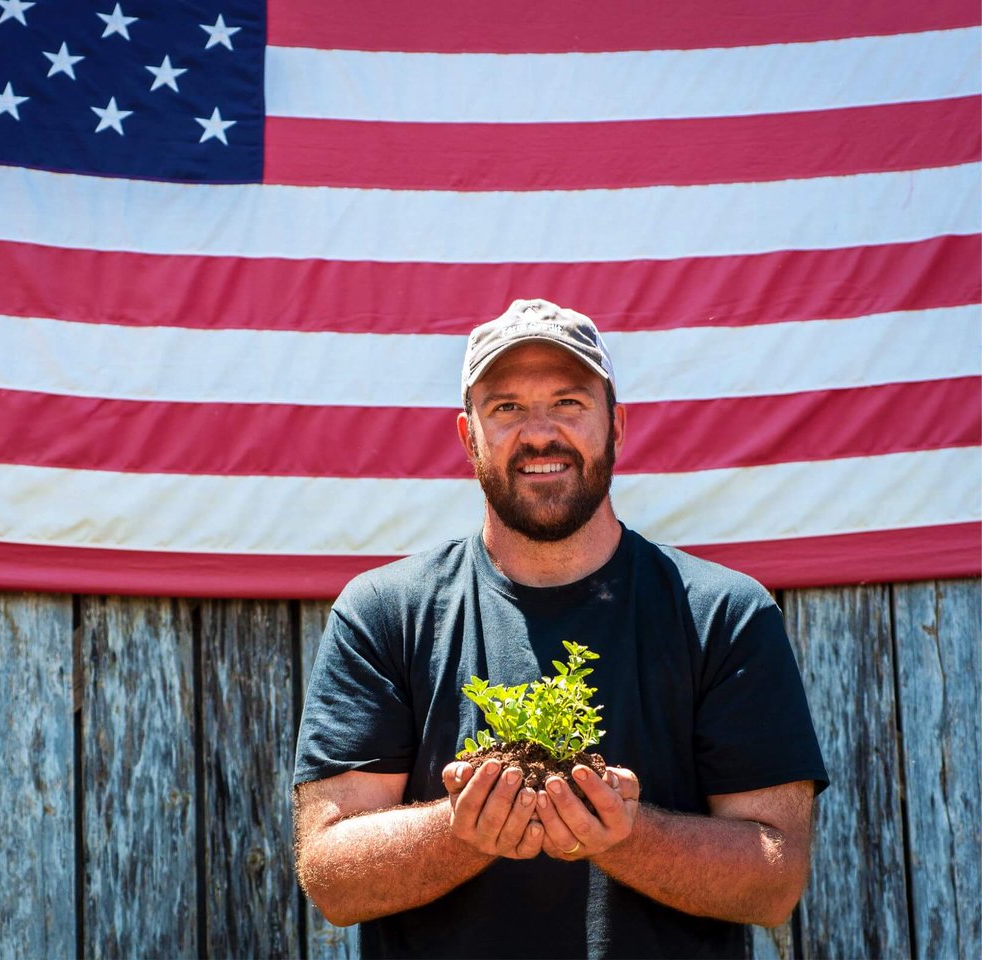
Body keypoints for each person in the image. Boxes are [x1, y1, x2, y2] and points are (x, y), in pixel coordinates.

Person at [292, 298, 828, 959]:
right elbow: (330, 878)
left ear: (618, 426)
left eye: (569, 403)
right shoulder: (384, 615)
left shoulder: (723, 614)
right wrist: (461, 833)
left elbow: (775, 881)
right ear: (469, 437)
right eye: (507, 407)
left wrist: (627, 836)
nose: (540, 433)